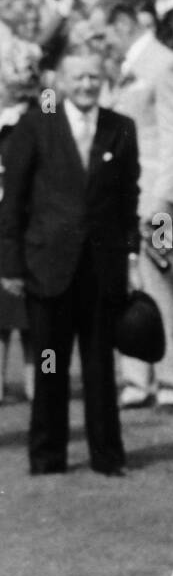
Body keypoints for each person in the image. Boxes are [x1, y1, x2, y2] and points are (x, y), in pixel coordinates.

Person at [0, 48, 139, 475]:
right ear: (60, 81)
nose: (86, 85)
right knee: (50, 365)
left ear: (103, 80)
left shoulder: (120, 129)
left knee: (99, 367)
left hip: (100, 271)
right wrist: (11, 267)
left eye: (93, 77)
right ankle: (47, 457)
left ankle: (107, 457)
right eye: (78, 78)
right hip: (48, 269)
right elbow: (14, 203)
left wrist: (129, 259)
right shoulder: (35, 126)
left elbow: (126, 201)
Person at [107, 0, 173, 412]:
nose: (102, 41)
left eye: (105, 31)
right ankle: (135, 381)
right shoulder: (122, 68)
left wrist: (163, 201)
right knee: (123, 290)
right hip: (121, 198)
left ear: (123, 24)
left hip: (156, 200)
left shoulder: (164, 63)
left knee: (159, 290)